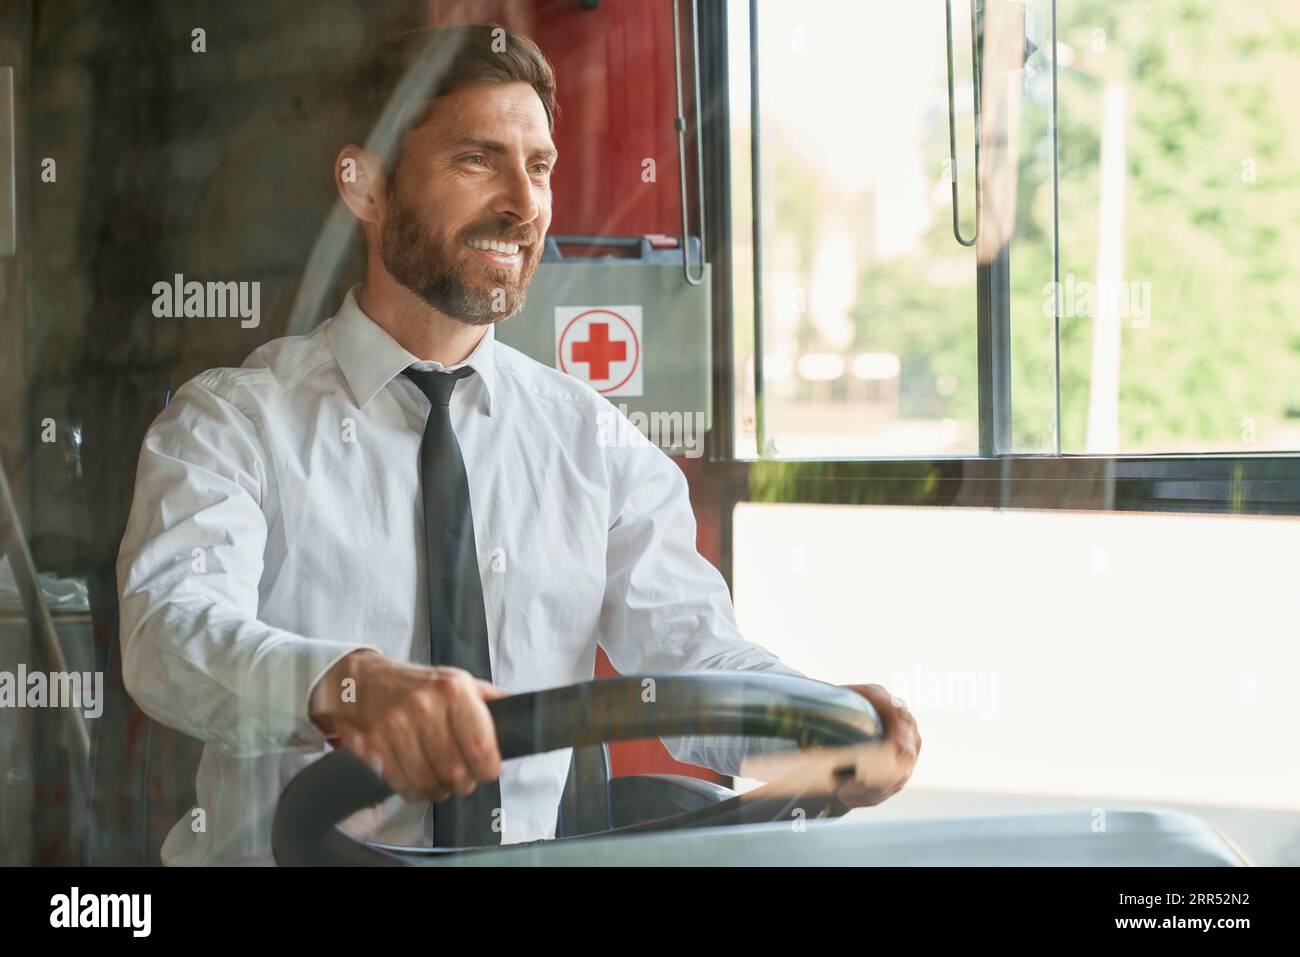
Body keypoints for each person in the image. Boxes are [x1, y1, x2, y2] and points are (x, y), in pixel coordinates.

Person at [116, 23, 919, 866]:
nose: (525, 205)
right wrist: (352, 685)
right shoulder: (232, 424)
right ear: (368, 186)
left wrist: (813, 720)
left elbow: (697, 652)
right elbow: (171, 633)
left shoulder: (593, 443)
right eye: (477, 160)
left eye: (539, 167)